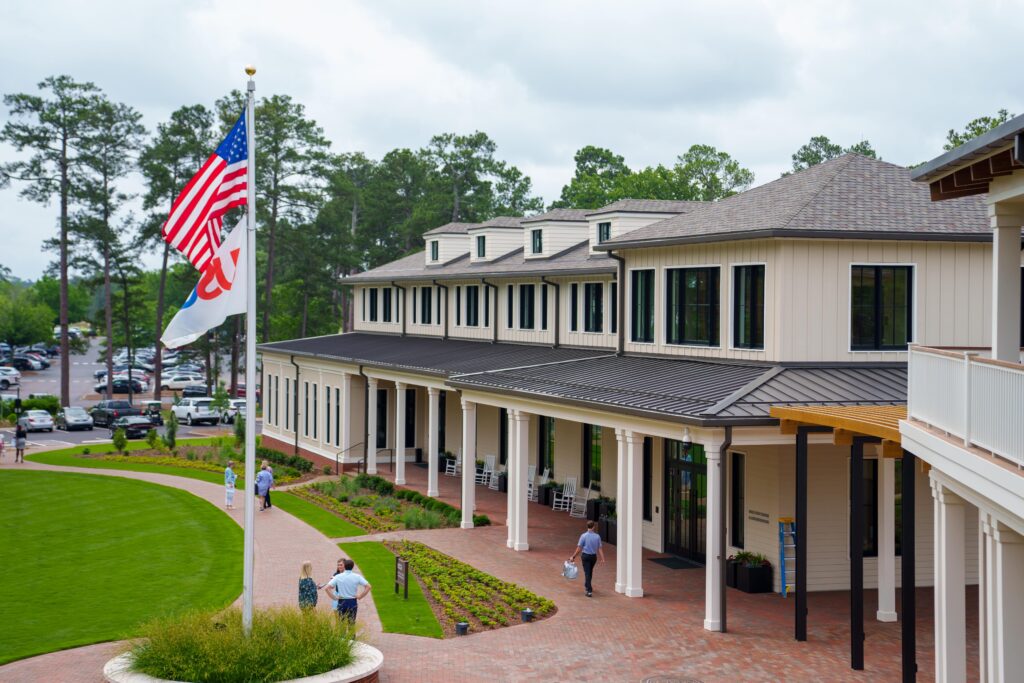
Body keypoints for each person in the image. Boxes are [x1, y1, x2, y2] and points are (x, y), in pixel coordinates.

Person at [325, 558, 371, 623]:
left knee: (341, 623)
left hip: (342, 601)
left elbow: (326, 588)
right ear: (352, 567)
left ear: (345, 566)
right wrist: (360, 596)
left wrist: (334, 597)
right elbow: (368, 586)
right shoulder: (357, 576)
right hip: (352, 601)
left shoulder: (338, 576)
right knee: (351, 623)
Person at [568, 520, 605, 597]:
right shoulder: (597, 536)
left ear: (587, 526)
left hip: (585, 556)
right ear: (594, 527)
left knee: (587, 572)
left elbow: (579, 548)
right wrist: (602, 558)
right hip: (593, 557)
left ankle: (589, 590)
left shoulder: (583, 536)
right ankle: (587, 585)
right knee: (589, 572)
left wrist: (573, 556)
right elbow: (600, 548)